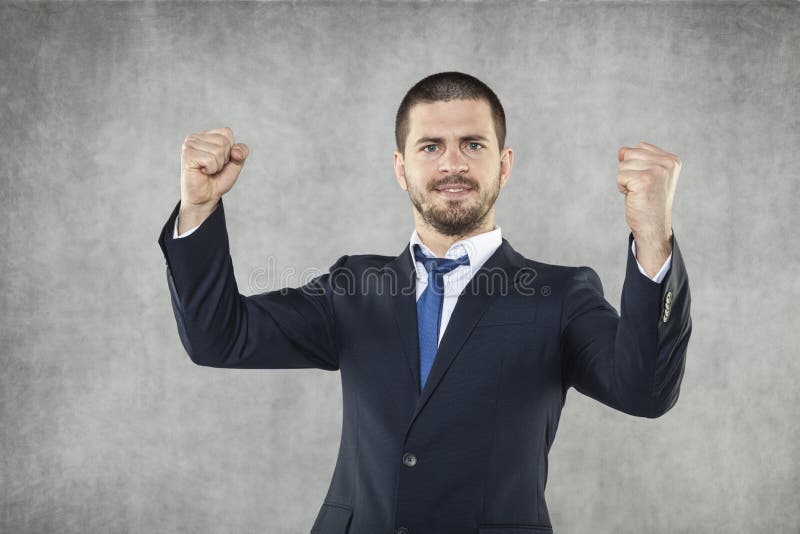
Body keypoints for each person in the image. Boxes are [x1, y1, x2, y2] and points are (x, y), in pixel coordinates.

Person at [157, 72, 691, 534]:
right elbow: (218, 338)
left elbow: (645, 391)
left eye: (473, 145)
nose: (452, 164)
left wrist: (653, 237)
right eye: (431, 146)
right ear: (401, 167)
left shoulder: (561, 295)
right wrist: (198, 207)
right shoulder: (353, 287)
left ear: (504, 165)